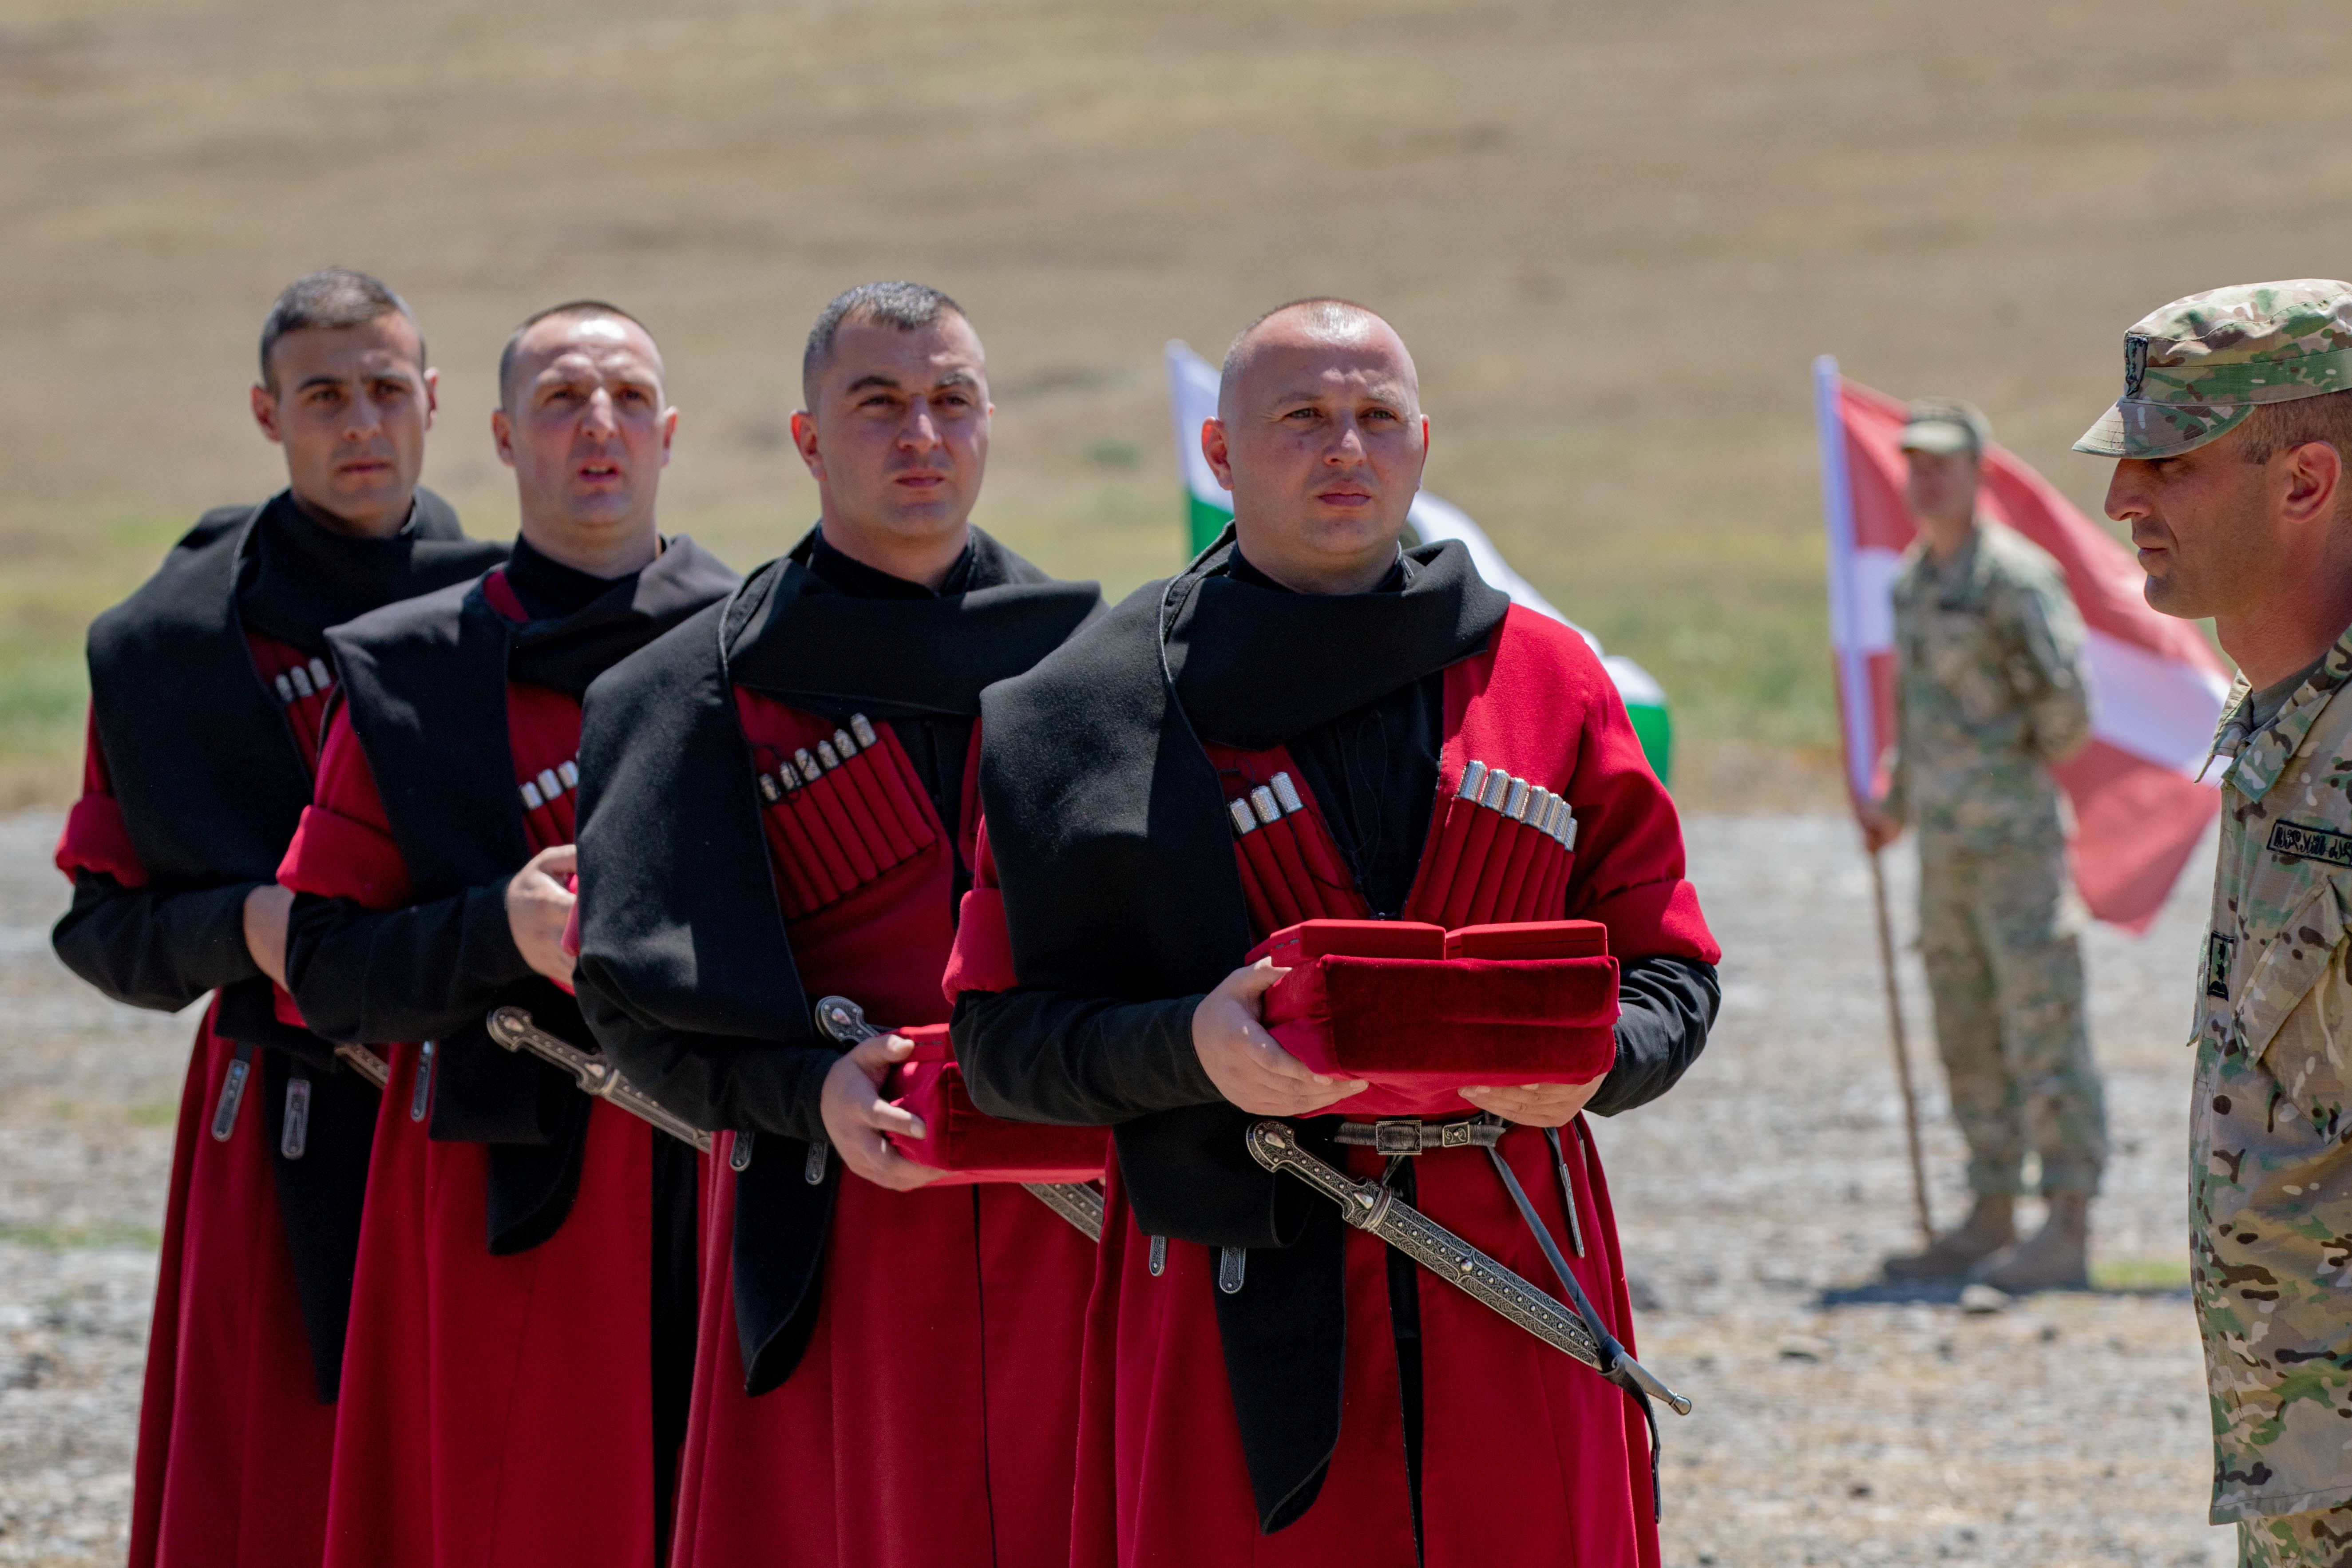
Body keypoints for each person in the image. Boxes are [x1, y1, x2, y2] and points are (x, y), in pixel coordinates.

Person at [948, 298, 1720, 1566]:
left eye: (1374, 418)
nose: (1343, 448)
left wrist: (1596, 1063)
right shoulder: (1089, 709)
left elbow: (1672, 971)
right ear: (1218, 450)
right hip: (1228, 1268)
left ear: (1423, 445)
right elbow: (1002, 1044)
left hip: (1509, 1243)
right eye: (1301, 417)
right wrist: (1189, 1046)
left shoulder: (1546, 678)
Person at [571, 281, 1104, 1568]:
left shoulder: (1091, 667)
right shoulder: (688, 689)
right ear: (808, 439)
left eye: (951, 401)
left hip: (1079, 1226)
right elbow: (632, 1005)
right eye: (879, 404)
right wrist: (804, 1091)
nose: (921, 433)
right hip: (834, 1215)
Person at [51, 268, 505, 1568]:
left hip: (491, 1102)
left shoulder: (513, 614)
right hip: (285, 1103)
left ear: (433, 402)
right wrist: (243, 927)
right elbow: (102, 926)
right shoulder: (172, 646)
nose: (359, 422)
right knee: (273, 1486)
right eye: (323, 395)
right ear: (268, 414)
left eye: (383, 389)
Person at [274, 301, 737, 1568]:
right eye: (561, 401)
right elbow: (320, 970)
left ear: (670, 432)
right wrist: (495, 929)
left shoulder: (759, 647)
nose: (600, 429)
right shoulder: (403, 670)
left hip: (738, 1172)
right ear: (497, 435)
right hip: (493, 1188)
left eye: (630, 400)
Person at [2085, 279, 2352, 1567]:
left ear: (2304, 481)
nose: (2122, 500)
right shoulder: (2276, 721)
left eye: (2169, 461)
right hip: (2304, 1455)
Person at [1862, 398, 2104, 1291]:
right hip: (1945, 855)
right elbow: (1918, 714)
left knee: (2042, 1025)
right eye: (1913, 463)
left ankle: (2067, 1220)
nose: (1925, 478)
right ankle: (1991, 1207)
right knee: (1966, 1028)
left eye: (1941, 463)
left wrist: (2002, 772)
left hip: (2015, 848)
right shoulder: (1914, 581)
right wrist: (1893, 800)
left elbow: (2067, 711)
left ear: (1977, 473)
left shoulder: (2013, 578)